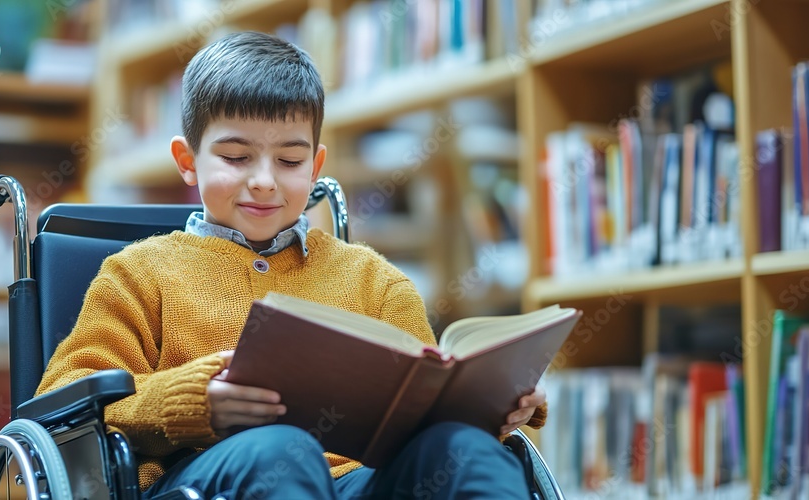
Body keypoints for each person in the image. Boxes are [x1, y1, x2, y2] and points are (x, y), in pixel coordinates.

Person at [35, 31, 547, 499]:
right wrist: (195, 402)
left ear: (317, 166)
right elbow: (63, 407)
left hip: (358, 483)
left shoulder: (375, 281)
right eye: (236, 157)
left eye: (289, 161)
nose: (264, 180)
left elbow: (422, 411)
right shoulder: (138, 273)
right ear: (188, 160)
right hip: (211, 478)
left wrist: (489, 407)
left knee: (466, 451)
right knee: (282, 449)